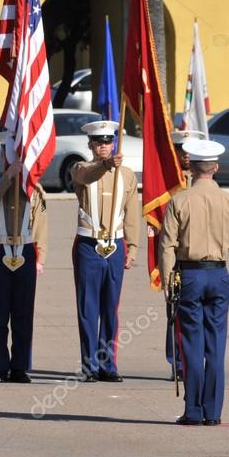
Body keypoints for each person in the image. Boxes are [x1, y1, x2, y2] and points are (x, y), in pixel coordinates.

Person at [161, 138, 229, 426]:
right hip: (220, 275)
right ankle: (213, 412)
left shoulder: (179, 201)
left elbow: (166, 246)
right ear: (216, 168)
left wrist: (166, 281)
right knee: (216, 346)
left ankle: (193, 411)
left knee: (191, 345)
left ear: (191, 167)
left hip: (190, 275)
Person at [71, 120, 139, 382]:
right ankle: (89, 364)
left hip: (115, 245)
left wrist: (132, 246)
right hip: (89, 245)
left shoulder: (128, 175)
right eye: (98, 142)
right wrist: (104, 166)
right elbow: (86, 176)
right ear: (90, 145)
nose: (103, 146)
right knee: (88, 307)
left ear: (114, 144)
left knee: (110, 308)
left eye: (107, 142)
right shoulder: (82, 168)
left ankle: (108, 364)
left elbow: (131, 212)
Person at [0, 134, 48, 383]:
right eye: (9, 154)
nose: (13, 159)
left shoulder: (34, 188)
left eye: (17, 154)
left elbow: (42, 224)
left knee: (23, 312)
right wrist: (10, 177)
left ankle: (19, 366)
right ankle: (1, 364)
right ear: (3, 156)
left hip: (25, 251)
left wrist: (41, 256)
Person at [164, 129, 207, 381]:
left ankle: (195, 360)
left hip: (200, 256)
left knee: (198, 317)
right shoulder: (168, 182)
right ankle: (178, 363)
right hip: (178, 256)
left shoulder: (203, 180)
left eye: (191, 152)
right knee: (176, 314)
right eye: (182, 150)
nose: (187, 156)